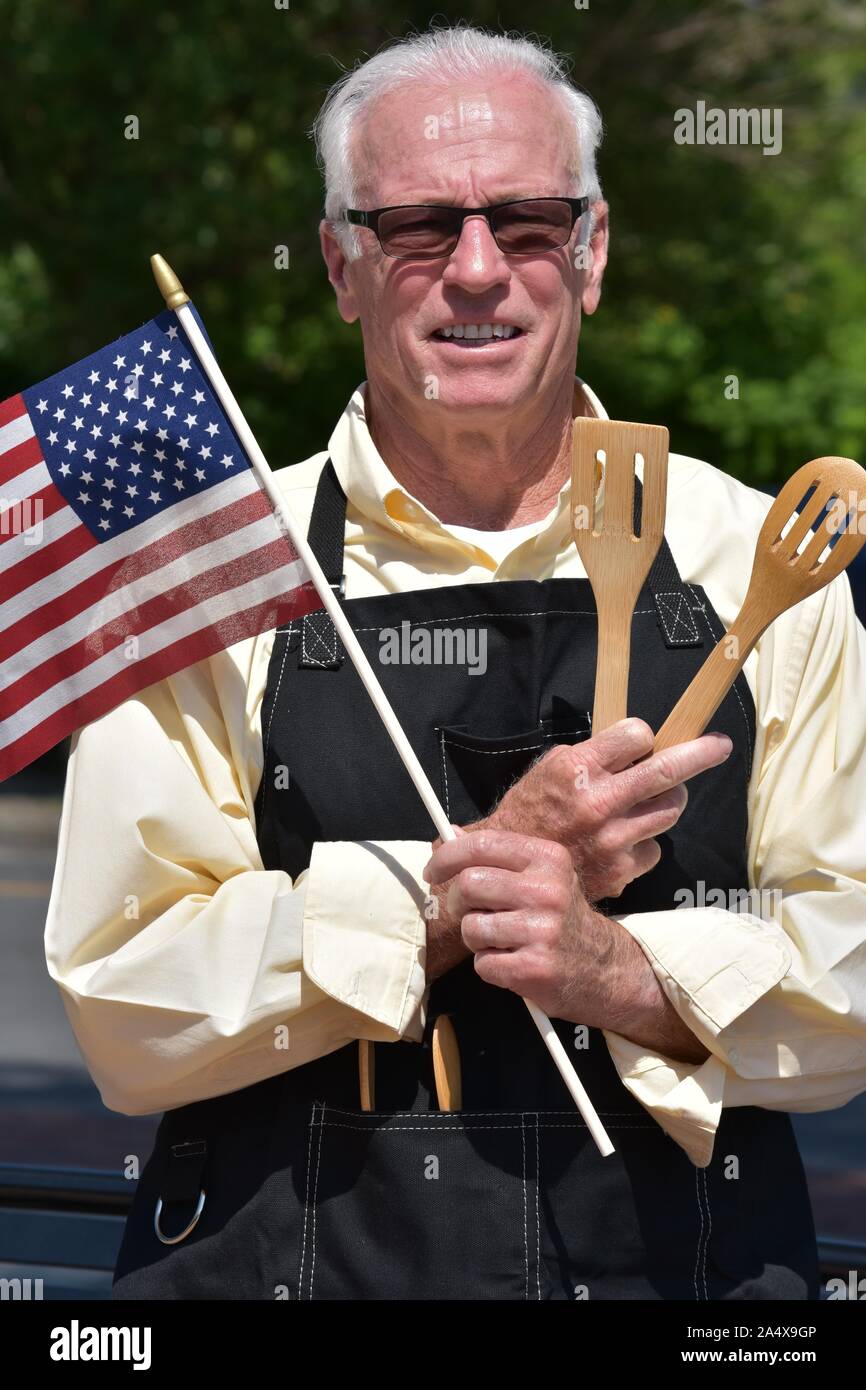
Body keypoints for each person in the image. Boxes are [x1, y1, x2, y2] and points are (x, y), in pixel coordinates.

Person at [45, 25, 866, 1300]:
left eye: (527, 224)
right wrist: (436, 895)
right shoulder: (212, 573)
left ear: (588, 256)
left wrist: (628, 975)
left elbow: (852, 953)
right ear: (340, 266)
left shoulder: (750, 559)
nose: (476, 271)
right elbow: (120, 998)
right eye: (419, 228)